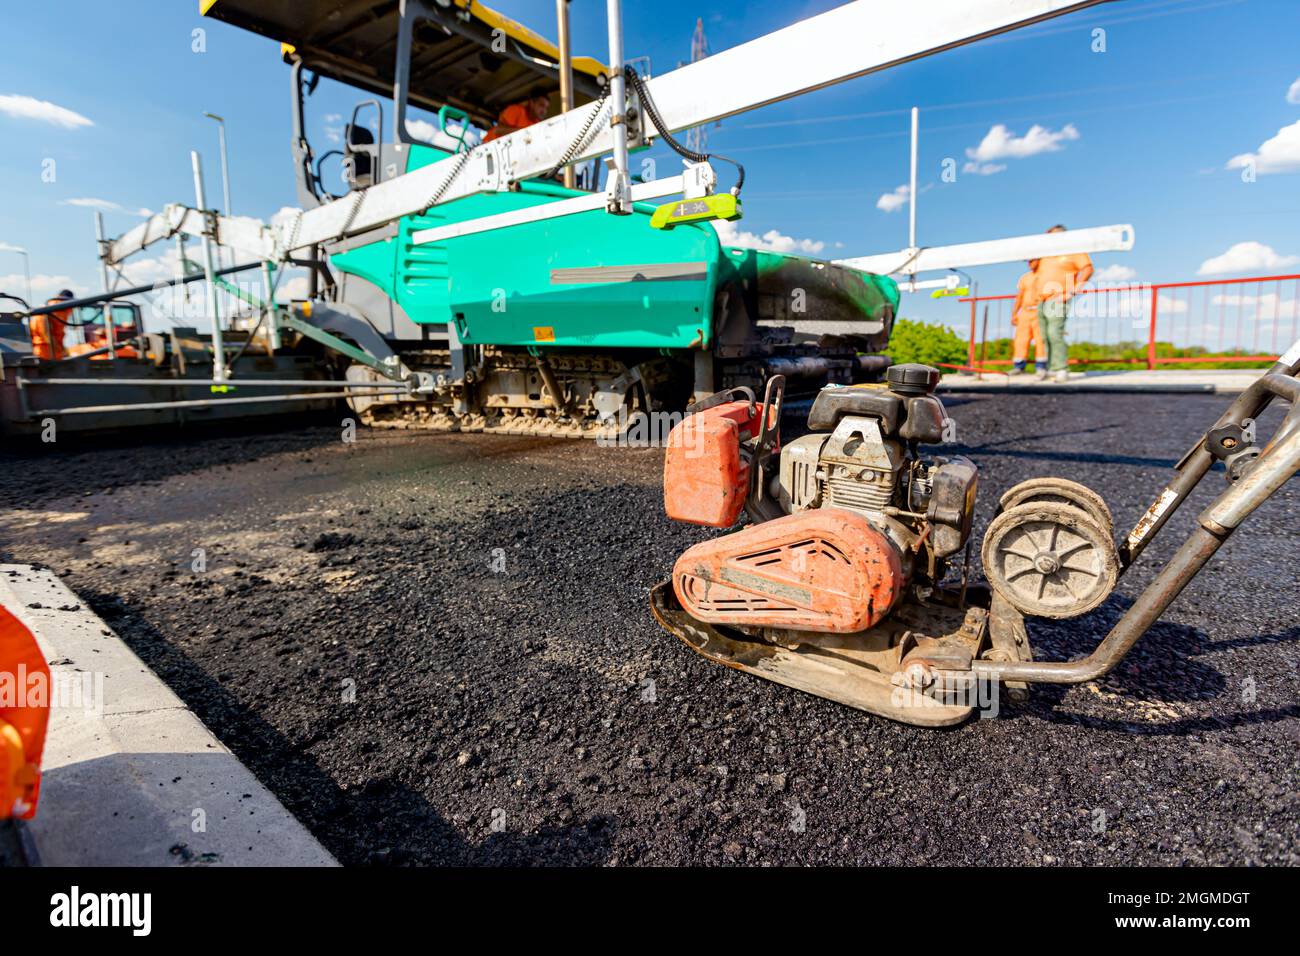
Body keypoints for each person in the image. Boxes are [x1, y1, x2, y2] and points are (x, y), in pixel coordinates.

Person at [1035, 225, 1093, 383]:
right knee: (1044, 336)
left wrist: (1073, 291)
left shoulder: (1073, 251)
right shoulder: (1046, 256)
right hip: (1041, 300)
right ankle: (1048, 368)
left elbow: (1087, 269)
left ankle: (1061, 369)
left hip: (1058, 298)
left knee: (1055, 333)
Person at [1010, 259, 1046, 378]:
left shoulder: (1046, 276)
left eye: (1032, 261)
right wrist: (1014, 313)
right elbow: (1019, 296)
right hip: (1025, 312)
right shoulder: (1025, 278)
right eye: (1028, 261)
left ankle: (1041, 366)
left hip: (1040, 311)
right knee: (1021, 339)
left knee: (1040, 339)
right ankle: (1019, 366)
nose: (1029, 263)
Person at [482, 93, 551, 144]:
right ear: (532, 103)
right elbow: (498, 130)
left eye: (546, 108)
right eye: (541, 105)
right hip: (487, 146)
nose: (544, 110)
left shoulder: (536, 123)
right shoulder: (516, 110)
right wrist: (526, 132)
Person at [30, 289, 73, 361]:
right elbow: (47, 335)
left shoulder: (57, 310)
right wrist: (61, 350)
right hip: (45, 354)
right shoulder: (45, 312)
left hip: (52, 353)